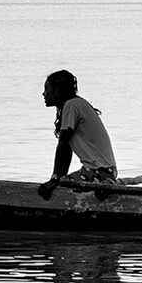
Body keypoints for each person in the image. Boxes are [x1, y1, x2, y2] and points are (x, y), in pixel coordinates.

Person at [39, 70, 118, 198]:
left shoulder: (71, 106)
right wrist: (58, 177)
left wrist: (55, 179)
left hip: (98, 172)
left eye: (47, 89)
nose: (43, 94)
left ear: (58, 91)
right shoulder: (76, 104)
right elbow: (67, 150)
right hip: (106, 171)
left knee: (60, 189)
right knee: (60, 183)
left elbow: (63, 144)